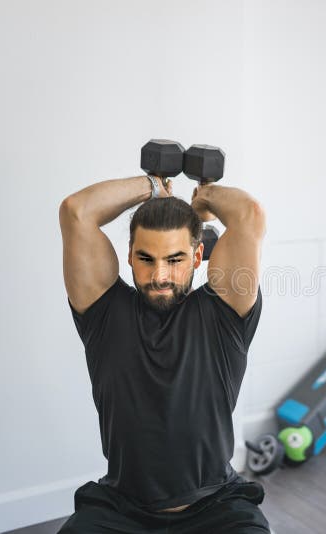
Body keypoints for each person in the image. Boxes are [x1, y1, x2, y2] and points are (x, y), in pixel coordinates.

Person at [57, 171, 269, 533]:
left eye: (174, 260)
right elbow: (77, 211)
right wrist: (153, 188)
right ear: (128, 256)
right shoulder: (103, 311)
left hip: (216, 506)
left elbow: (248, 213)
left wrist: (204, 197)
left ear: (198, 255)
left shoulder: (225, 311)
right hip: (120, 509)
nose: (160, 275)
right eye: (146, 258)